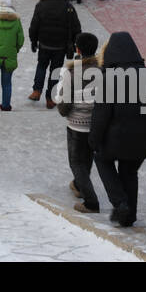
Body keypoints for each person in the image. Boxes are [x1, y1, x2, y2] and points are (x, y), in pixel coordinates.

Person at [89, 31, 146, 227]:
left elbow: (101, 114)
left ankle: (120, 203)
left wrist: (94, 140)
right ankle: (129, 216)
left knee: (102, 160)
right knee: (130, 172)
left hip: (113, 139)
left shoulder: (109, 78)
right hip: (141, 140)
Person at [53, 31, 102, 213]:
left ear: (78, 49)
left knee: (76, 162)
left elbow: (63, 98)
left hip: (76, 124)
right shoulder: (102, 71)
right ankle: (80, 186)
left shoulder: (71, 72)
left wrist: (63, 111)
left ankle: (91, 201)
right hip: (96, 123)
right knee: (87, 158)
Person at [28, 0, 80, 104]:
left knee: (41, 66)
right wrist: (77, 43)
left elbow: (34, 26)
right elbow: (76, 26)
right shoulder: (68, 7)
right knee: (55, 70)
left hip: (44, 44)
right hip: (61, 46)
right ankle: (50, 98)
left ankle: (36, 91)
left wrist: (33, 41)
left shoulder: (41, 5)